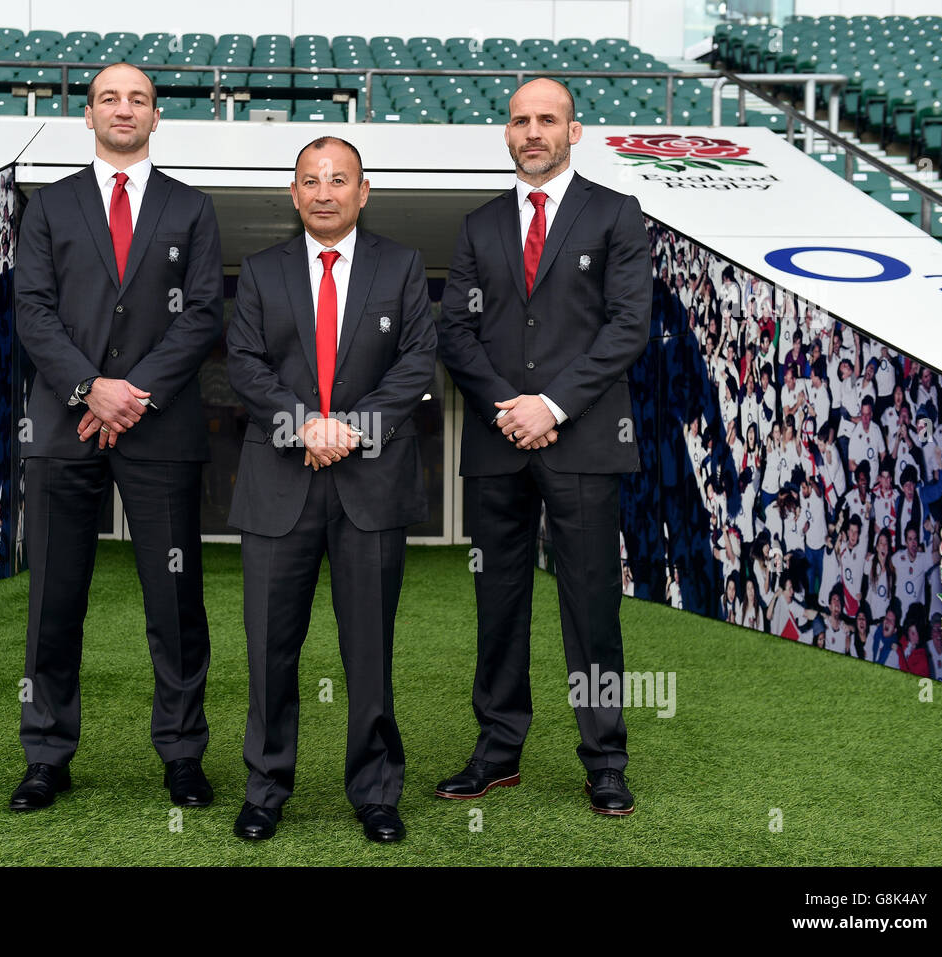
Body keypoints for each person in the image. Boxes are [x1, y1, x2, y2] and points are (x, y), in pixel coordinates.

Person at [434, 78, 652, 816]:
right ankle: (497, 750)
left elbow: (627, 326)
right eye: (521, 120)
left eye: (547, 119)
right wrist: (511, 408)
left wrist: (551, 406)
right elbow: (456, 331)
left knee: (591, 608)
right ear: (507, 133)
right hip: (499, 442)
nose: (533, 132)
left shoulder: (616, 214)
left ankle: (605, 760)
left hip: (583, 442)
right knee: (497, 602)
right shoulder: (479, 225)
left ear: (573, 131)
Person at [11, 62, 224, 813]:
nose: (123, 109)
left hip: (159, 427)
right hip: (63, 425)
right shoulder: (48, 205)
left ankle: (183, 754)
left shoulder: (191, 208)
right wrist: (89, 387)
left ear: (156, 116)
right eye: (109, 98)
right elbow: (33, 310)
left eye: (138, 99)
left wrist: (130, 394)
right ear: (89, 115)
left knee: (175, 601)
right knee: (54, 599)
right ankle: (46, 755)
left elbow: (203, 314)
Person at [226, 136, 437, 843]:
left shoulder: (402, 266)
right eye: (311, 181)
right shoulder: (260, 271)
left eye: (338, 179)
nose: (324, 192)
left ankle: (376, 792)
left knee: (369, 649)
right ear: (293, 194)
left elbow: (417, 361)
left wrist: (350, 428)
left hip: (370, 483)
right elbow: (245, 363)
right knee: (269, 648)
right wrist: (302, 426)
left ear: (363, 191)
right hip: (277, 484)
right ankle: (265, 788)